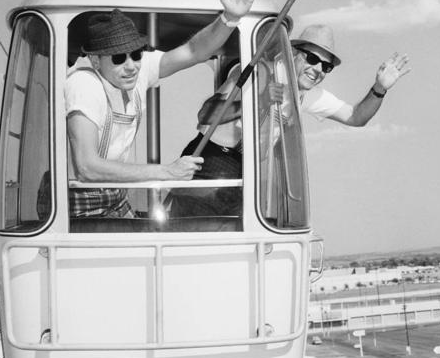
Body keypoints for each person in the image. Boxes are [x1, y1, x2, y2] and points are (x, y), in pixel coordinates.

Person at [65, 0, 262, 218]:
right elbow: (87, 168)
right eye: (117, 58)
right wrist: (168, 172)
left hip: (114, 193)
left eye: (135, 54)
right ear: (95, 60)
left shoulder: (136, 70)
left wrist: (229, 19)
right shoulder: (84, 85)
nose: (130, 65)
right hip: (75, 198)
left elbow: (193, 50)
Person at [167, 24, 411, 218]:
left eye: (326, 66)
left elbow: (356, 117)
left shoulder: (307, 94)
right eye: (313, 59)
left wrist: (380, 88)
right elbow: (206, 115)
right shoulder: (257, 71)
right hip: (208, 165)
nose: (318, 70)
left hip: (247, 174)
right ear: (293, 53)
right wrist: (257, 101)